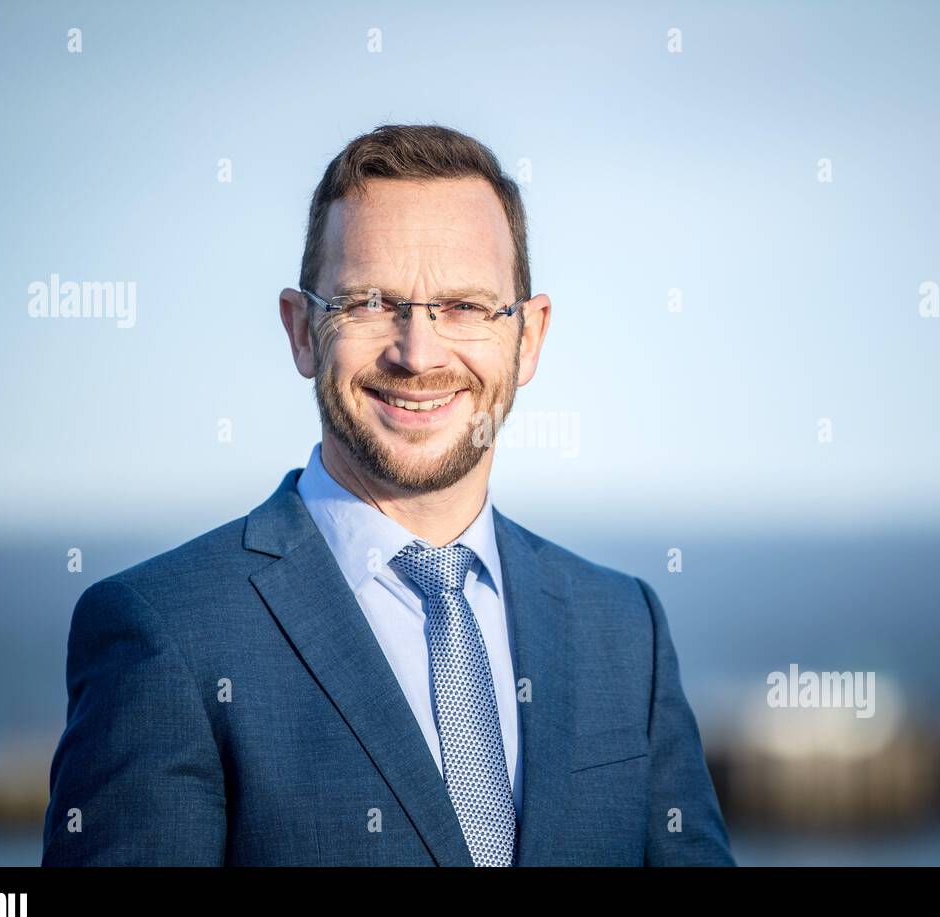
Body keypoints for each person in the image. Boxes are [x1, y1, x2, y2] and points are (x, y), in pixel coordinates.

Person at [41, 124, 735, 866]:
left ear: (528, 338)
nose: (418, 352)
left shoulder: (624, 629)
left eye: (465, 306)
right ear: (303, 330)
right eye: (371, 303)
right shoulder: (165, 632)